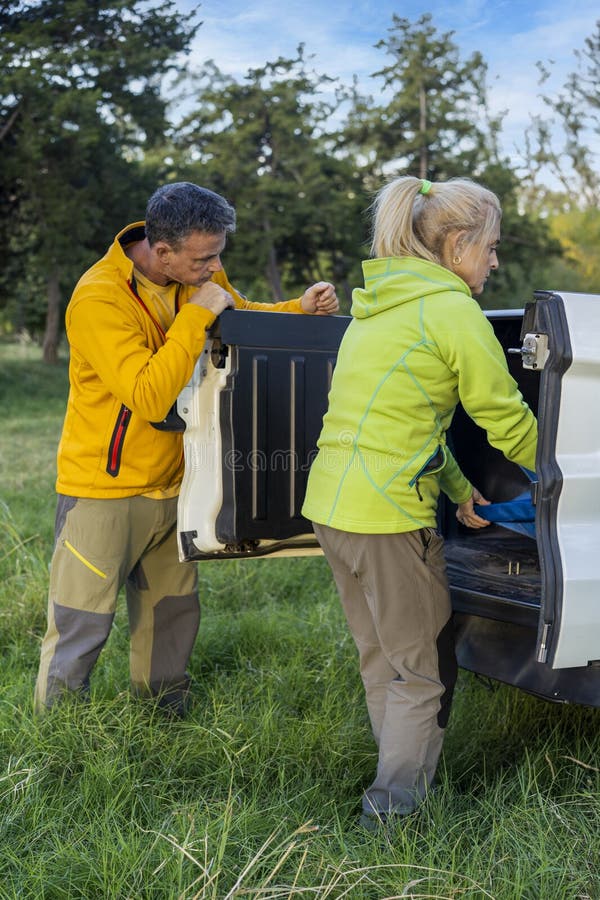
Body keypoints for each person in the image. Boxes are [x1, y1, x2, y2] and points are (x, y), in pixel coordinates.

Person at [35, 181, 339, 715]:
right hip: (104, 490)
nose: (215, 267)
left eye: (218, 254)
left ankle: (163, 721)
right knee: (81, 622)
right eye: (205, 258)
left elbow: (239, 315)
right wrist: (198, 313)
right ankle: (56, 736)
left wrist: (299, 310)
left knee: (172, 616)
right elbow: (150, 395)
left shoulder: (197, 272)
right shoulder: (98, 297)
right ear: (163, 251)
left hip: (180, 482)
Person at [301, 175, 537, 829]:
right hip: (385, 518)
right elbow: (504, 417)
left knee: (381, 656)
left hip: (331, 509)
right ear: (459, 244)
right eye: (490, 247)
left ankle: (394, 771)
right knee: (421, 670)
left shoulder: (378, 308)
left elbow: (402, 425)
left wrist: (462, 491)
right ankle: (395, 814)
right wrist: (567, 467)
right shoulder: (452, 310)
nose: (494, 261)